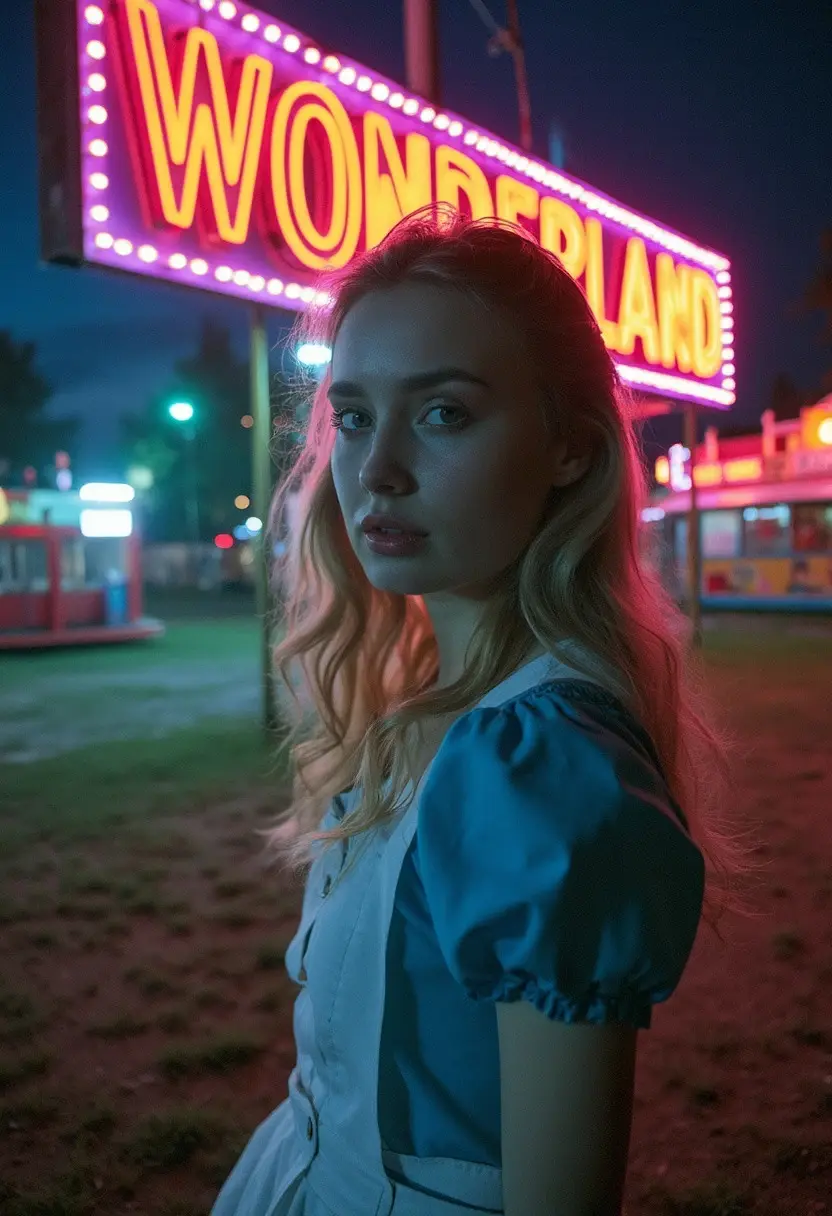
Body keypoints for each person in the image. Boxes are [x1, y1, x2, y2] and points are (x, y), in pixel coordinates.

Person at [212, 207, 761, 1216]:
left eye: (444, 412)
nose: (374, 470)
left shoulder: (537, 761)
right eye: (356, 414)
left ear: (565, 446)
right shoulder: (425, 703)